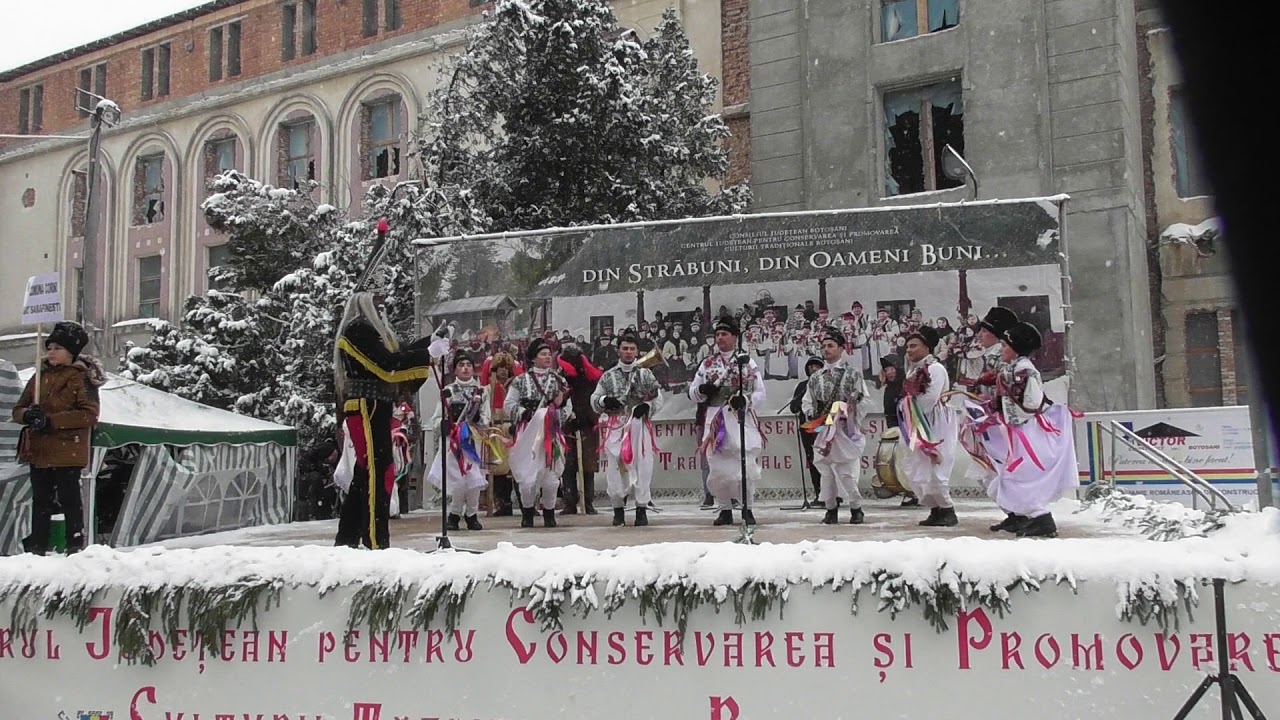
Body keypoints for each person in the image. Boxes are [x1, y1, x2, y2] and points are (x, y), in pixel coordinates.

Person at [333, 292, 446, 549]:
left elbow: (400, 354)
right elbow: (386, 365)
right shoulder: (358, 330)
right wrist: (427, 353)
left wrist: (430, 342)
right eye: (378, 300)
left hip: (376, 406)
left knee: (366, 473)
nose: (383, 305)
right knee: (377, 471)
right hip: (367, 406)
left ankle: (347, 539)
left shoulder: (369, 331)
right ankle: (375, 540)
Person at [974, 322, 1078, 538]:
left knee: (1022, 473)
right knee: (1009, 472)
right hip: (1018, 429)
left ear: (1016, 347)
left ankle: (1041, 519)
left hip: (1028, 431)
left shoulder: (1024, 370)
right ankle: (1022, 515)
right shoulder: (1013, 368)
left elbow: (1031, 404)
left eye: (1005, 345)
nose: (1001, 349)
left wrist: (1003, 403)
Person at [11, 321, 105, 555]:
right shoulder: (39, 375)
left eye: (57, 348)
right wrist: (27, 415)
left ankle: (74, 545)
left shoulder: (82, 378)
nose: (51, 352)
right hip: (40, 450)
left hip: (67, 450)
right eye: (49, 347)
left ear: (70, 352)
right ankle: (38, 546)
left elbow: (89, 414)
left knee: (69, 499)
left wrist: (52, 420)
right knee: (40, 501)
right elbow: (18, 409)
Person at [688, 316, 766, 526]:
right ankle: (724, 509)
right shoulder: (707, 363)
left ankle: (747, 507)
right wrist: (702, 390)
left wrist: (746, 400)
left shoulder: (746, 361)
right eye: (718, 334)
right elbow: (692, 392)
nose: (720, 338)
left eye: (724, 334)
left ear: (735, 337)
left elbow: (760, 392)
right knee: (718, 465)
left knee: (745, 462)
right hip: (716, 418)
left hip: (740, 417)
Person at [957, 306, 1020, 531]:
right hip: (987, 419)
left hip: (993, 422)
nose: (980, 335)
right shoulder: (992, 355)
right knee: (989, 470)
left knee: (993, 469)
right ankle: (1013, 511)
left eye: (984, 331)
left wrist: (984, 401)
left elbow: (1000, 390)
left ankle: (1017, 512)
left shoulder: (998, 356)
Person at [592, 333, 664, 526]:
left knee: (643, 465)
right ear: (618, 350)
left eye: (632, 349)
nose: (629, 352)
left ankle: (641, 509)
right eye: (625, 348)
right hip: (616, 425)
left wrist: (647, 407)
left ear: (637, 351)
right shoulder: (608, 376)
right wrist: (604, 400)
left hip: (639, 425)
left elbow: (658, 398)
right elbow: (594, 399)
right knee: (615, 467)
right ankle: (618, 509)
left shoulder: (645, 373)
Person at [802, 330, 872, 525]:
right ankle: (830, 509)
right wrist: (813, 415)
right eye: (823, 346)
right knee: (825, 472)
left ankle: (856, 508)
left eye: (830, 346)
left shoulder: (852, 374)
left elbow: (864, 399)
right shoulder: (815, 377)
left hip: (844, 430)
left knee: (847, 472)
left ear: (842, 348)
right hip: (824, 430)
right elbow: (806, 402)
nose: (826, 349)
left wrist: (850, 411)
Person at [505, 338, 572, 528]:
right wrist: (524, 413)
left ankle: (549, 513)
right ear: (533, 358)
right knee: (527, 477)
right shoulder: (520, 381)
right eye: (542, 354)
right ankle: (527, 512)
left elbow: (568, 407)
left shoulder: (559, 380)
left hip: (550, 433)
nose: (547, 357)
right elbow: (509, 404)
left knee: (551, 477)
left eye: (549, 353)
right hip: (527, 433)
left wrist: (556, 415)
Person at [898, 324, 960, 527]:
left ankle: (947, 509)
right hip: (915, 422)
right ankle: (935, 509)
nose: (909, 350)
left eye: (913, 346)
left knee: (935, 467)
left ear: (926, 347)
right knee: (915, 466)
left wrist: (909, 409)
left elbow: (929, 400)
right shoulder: (913, 370)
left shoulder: (935, 368)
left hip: (934, 423)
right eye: (907, 347)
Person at [427, 354, 488, 531]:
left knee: (474, 478)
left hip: (473, 440)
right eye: (461, 365)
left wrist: (479, 419)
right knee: (458, 479)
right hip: (453, 442)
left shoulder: (481, 391)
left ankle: (472, 514)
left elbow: (487, 417)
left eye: (469, 364)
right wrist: (443, 425)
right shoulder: (448, 391)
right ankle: (454, 514)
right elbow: (436, 418)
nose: (466, 368)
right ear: (455, 369)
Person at [558, 343, 602, 515]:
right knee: (567, 466)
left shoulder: (591, 377)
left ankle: (588, 501)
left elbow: (595, 399)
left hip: (588, 425)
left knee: (588, 465)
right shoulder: (561, 378)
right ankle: (569, 502)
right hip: (567, 426)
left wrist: (586, 417)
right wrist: (568, 418)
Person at [480, 352, 517, 516]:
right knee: (498, 469)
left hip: (511, 430)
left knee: (515, 468)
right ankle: (501, 502)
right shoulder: (487, 390)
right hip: (494, 431)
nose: (503, 372)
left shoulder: (515, 387)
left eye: (506, 368)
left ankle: (520, 502)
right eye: (499, 368)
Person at [789, 356, 826, 501]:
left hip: (822, 428)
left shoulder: (825, 385)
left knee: (825, 461)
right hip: (806, 428)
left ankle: (831, 494)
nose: (814, 369)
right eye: (811, 367)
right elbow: (793, 407)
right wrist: (798, 404)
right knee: (812, 461)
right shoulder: (802, 386)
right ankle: (819, 494)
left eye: (817, 366)